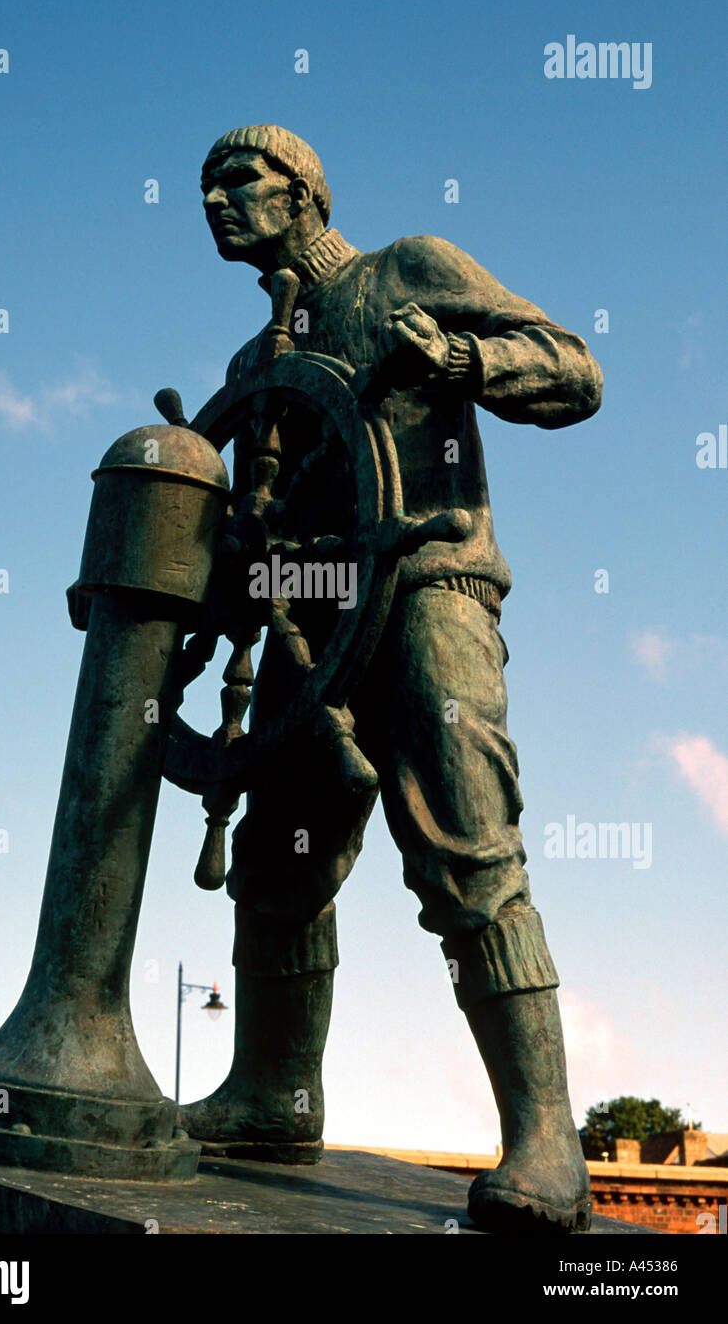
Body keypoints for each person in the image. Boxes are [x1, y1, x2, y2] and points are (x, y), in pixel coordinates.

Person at [178, 125, 602, 1233]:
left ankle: (547, 1141)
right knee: (276, 864)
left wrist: (460, 363)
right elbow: (250, 538)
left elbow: (574, 368)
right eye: (202, 187)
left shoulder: (409, 268)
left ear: (305, 191)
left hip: (428, 585)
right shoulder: (249, 369)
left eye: (241, 179)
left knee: (467, 846)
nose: (216, 199)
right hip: (307, 617)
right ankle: (272, 1093)